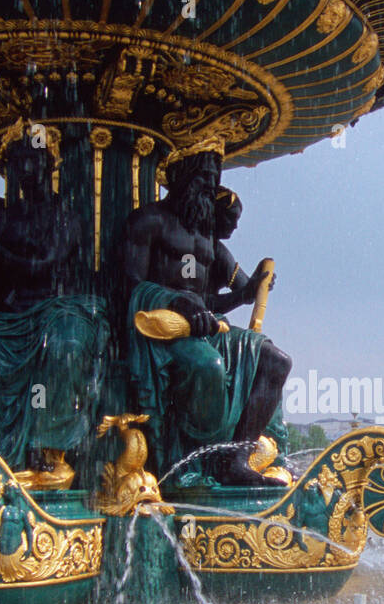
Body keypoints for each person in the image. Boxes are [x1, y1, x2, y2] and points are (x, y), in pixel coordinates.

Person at [117, 139, 291, 485]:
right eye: (202, 177)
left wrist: (251, 288)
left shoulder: (208, 238)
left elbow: (223, 298)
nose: (210, 185)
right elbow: (129, 285)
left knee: (276, 361)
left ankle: (235, 458)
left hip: (208, 326)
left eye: (214, 178)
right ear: (178, 176)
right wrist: (175, 301)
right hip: (165, 328)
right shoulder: (150, 221)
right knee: (208, 367)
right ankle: (195, 454)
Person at [0, 122, 108, 486]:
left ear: (48, 166)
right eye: (16, 164)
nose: (22, 171)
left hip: (63, 307)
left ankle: (50, 451)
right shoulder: (7, 219)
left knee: (63, 346)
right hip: (18, 314)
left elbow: (45, 265)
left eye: (30, 162)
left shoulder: (67, 215)